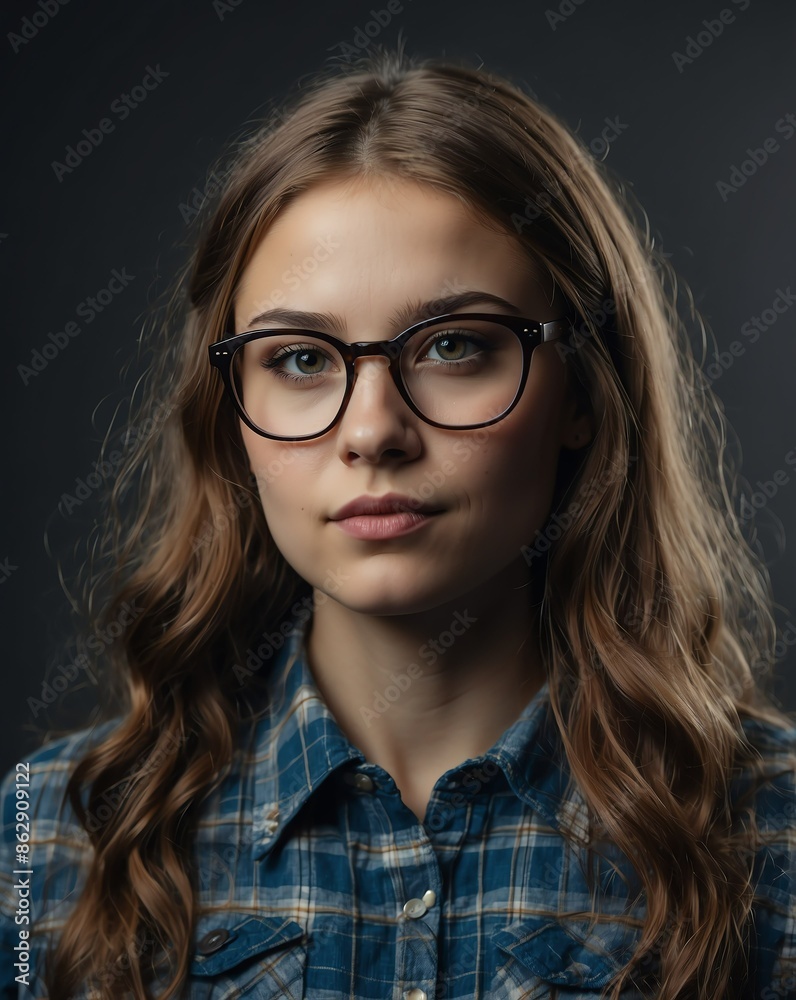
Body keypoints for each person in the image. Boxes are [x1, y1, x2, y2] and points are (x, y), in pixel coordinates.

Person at [1, 46, 794, 1000]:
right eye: (299, 359)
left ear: (584, 389)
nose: (373, 432)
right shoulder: (43, 843)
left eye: (455, 346)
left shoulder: (774, 839)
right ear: (229, 409)